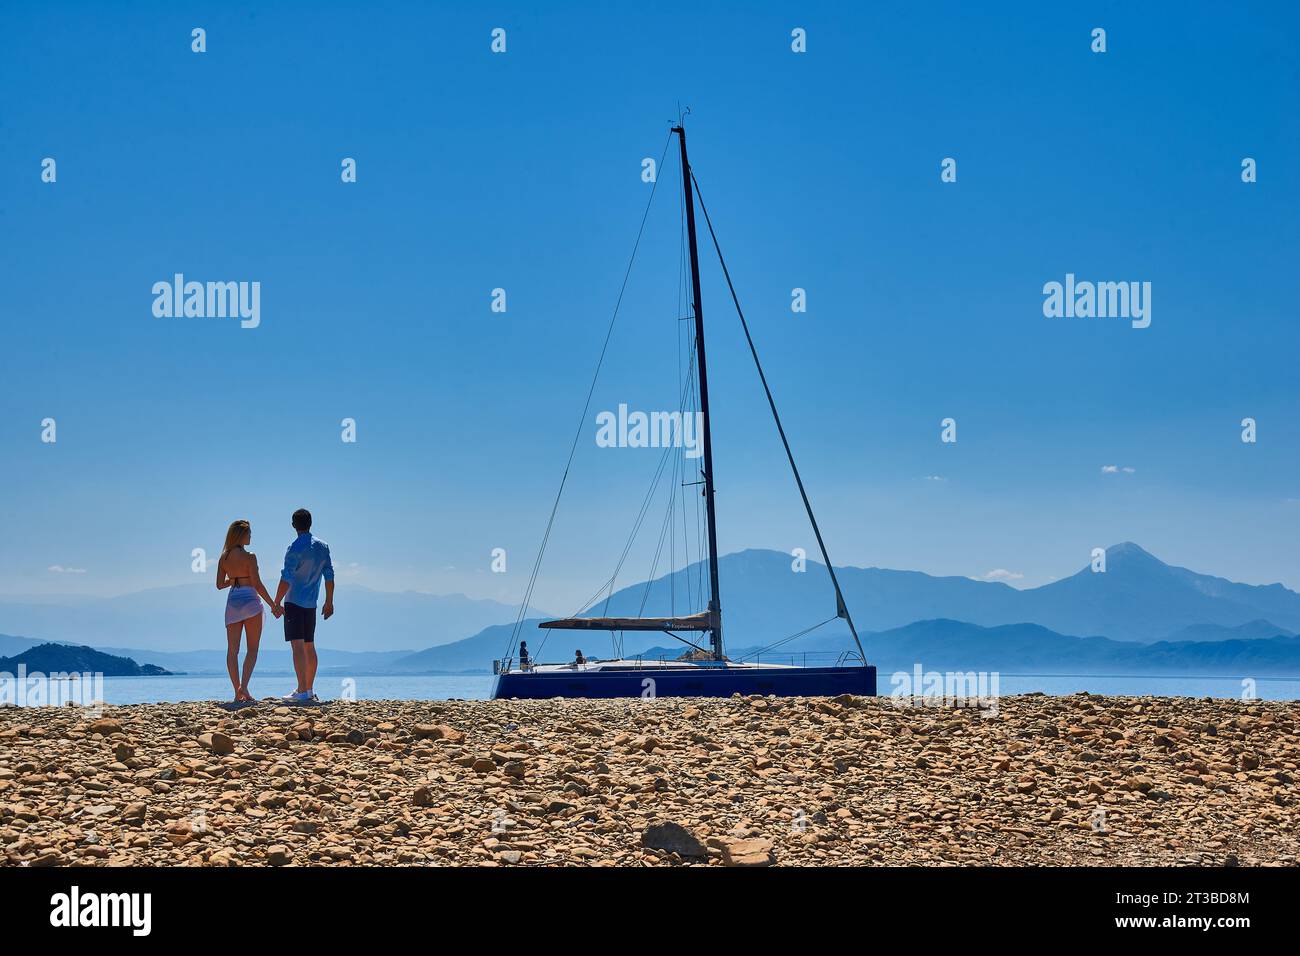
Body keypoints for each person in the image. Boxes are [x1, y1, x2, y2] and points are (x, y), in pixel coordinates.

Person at [272, 508, 334, 702]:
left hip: (294, 601)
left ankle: (301, 690)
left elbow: (286, 578)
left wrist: (276, 601)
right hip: (312, 602)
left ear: (293, 525)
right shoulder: (323, 547)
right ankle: (309, 689)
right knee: (309, 646)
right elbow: (329, 575)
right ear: (310, 523)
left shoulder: (294, 548)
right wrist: (329, 601)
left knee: (297, 647)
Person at [215, 520, 279, 702]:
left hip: (233, 601)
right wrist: (273, 604)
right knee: (252, 649)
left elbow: (219, 585)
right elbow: (257, 584)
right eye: (249, 533)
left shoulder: (224, 557)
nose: (251, 536)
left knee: (232, 650)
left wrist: (234, 579)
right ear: (241, 535)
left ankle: (237, 691)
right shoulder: (250, 557)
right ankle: (244, 686)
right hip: (250, 601)